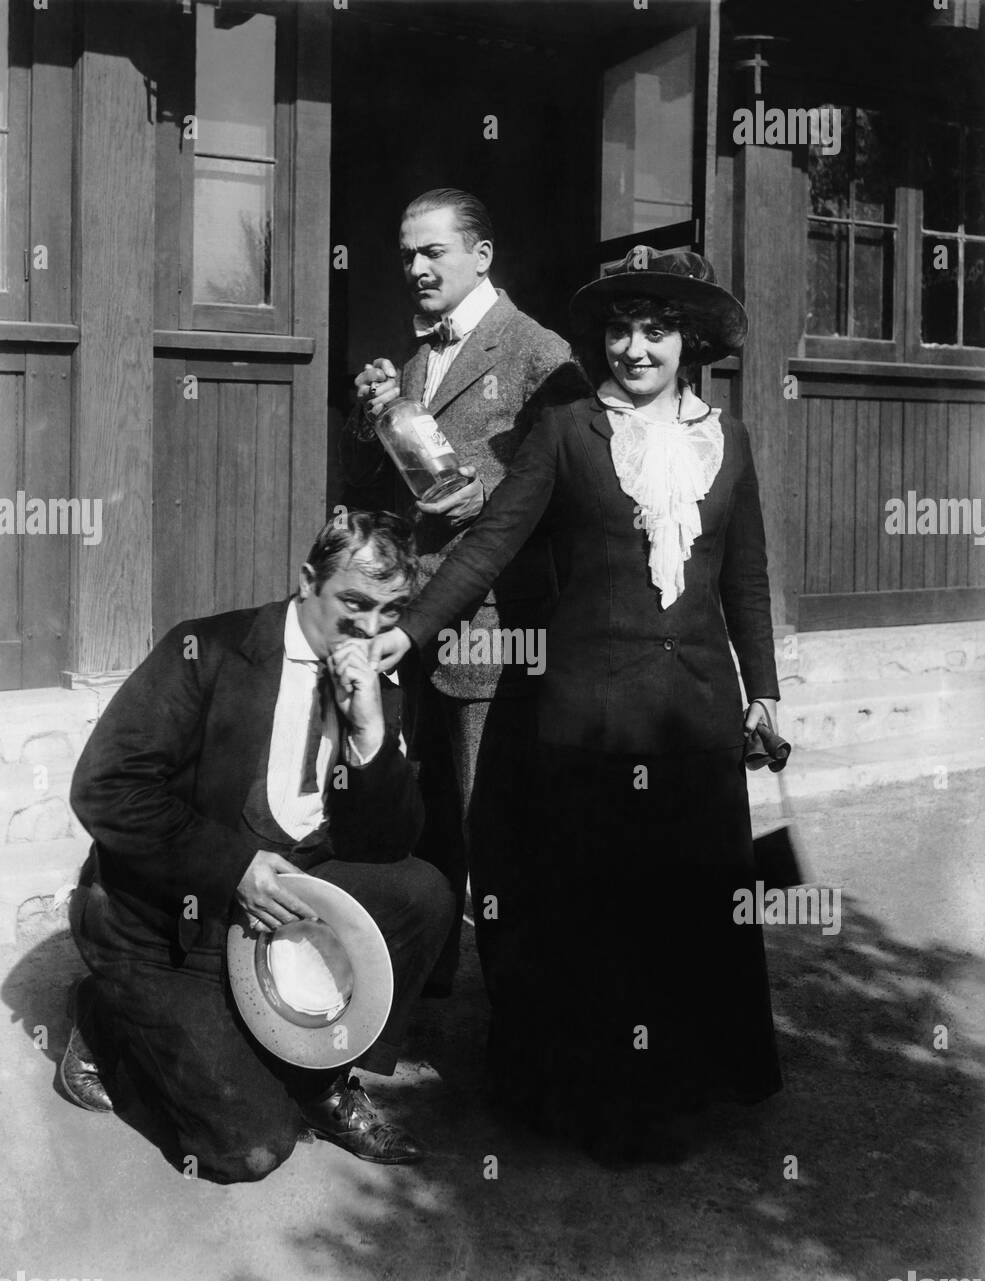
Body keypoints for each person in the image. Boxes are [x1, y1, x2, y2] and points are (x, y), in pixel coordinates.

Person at [369, 248, 783, 1163]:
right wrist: (413, 629)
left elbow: (743, 580)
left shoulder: (732, 437)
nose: (634, 349)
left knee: (690, 903)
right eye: (620, 330)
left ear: (690, 341)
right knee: (601, 913)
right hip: (590, 716)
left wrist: (764, 696)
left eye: (657, 330)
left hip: (697, 714)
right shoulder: (567, 429)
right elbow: (487, 544)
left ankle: (690, 1081)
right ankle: (598, 1103)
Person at [62, 512, 454, 1182]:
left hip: (283, 899)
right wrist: (231, 867)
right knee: (248, 1150)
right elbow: (104, 787)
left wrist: (368, 735)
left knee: (422, 893)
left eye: (391, 612)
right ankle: (105, 1016)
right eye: (354, 604)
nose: (369, 631)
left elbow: (390, 845)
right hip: (169, 921)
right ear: (307, 581)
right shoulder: (207, 651)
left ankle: (323, 1078)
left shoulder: (380, 672)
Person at [339, 187, 586, 998]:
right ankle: (430, 982)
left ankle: (520, 1026)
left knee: (495, 830)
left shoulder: (538, 353)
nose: (413, 268)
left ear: (481, 256)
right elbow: (394, 480)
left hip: (493, 628)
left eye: (431, 251)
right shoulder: (416, 359)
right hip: (417, 620)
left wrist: (492, 497)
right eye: (406, 254)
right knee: (430, 819)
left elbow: (578, 492)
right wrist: (373, 415)